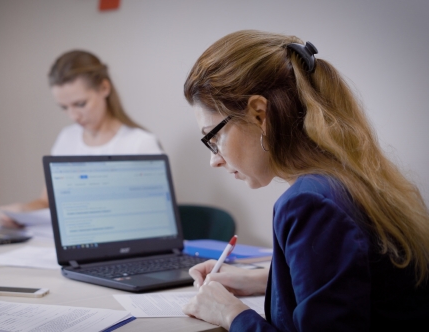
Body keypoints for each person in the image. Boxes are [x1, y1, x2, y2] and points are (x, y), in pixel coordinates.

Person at [180, 30, 429, 331]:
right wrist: (257, 280)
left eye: (214, 137)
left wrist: (230, 313)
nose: (214, 159)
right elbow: (355, 277)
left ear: (260, 114)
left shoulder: (309, 203)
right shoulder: (350, 179)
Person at [0, 50, 163, 227]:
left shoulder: (140, 143)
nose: (73, 116)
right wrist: (20, 211)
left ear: (104, 88)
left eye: (80, 104)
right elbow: (47, 201)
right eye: (64, 107)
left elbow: (155, 215)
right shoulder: (67, 138)